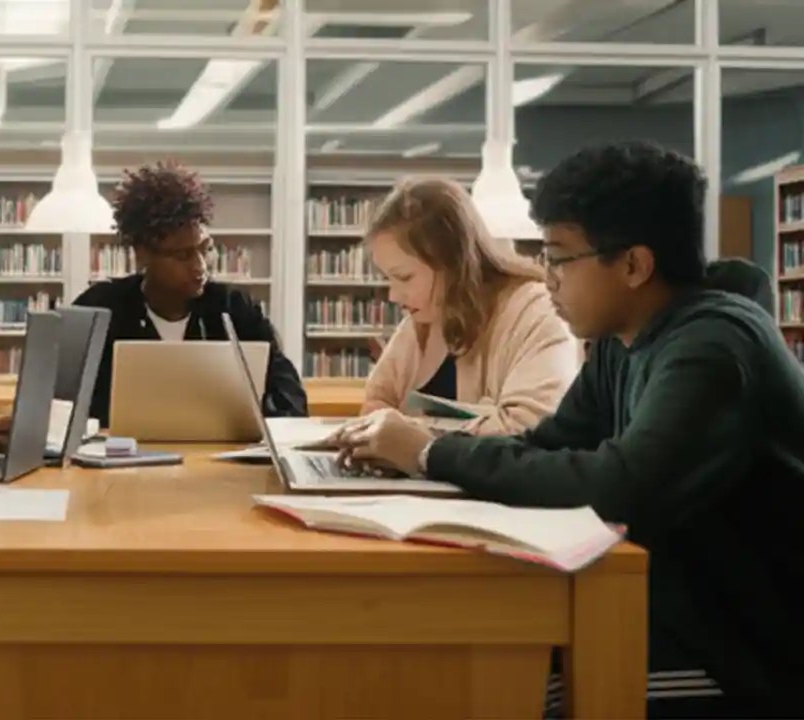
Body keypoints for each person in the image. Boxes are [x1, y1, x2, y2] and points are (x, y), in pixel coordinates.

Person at [331, 141, 803, 718]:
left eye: (559, 258)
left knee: (508, 690)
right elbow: (549, 444)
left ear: (633, 264)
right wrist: (428, 454)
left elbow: (616, 484)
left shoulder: (714, 347)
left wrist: (430, 454)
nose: (546, 278)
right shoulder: (624, 338)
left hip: (749, 650)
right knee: (467, 658)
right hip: (678, 603)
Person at [73, 160, 307, 425]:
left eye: (205, 248)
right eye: (183, 255)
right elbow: (62, 407)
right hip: (121, 458)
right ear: (143, 254)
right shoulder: (98, 310)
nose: (200, 266)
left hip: (217, 459)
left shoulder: (234, 308)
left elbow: (291, 399)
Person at [359, 177, 579, 435]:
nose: (393, 296)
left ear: (452, 264)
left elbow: (530, 426)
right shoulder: (424, 320)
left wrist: (413, 440)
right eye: (388, 278)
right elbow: (376, 403)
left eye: (404, 277)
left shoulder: (537, 312)